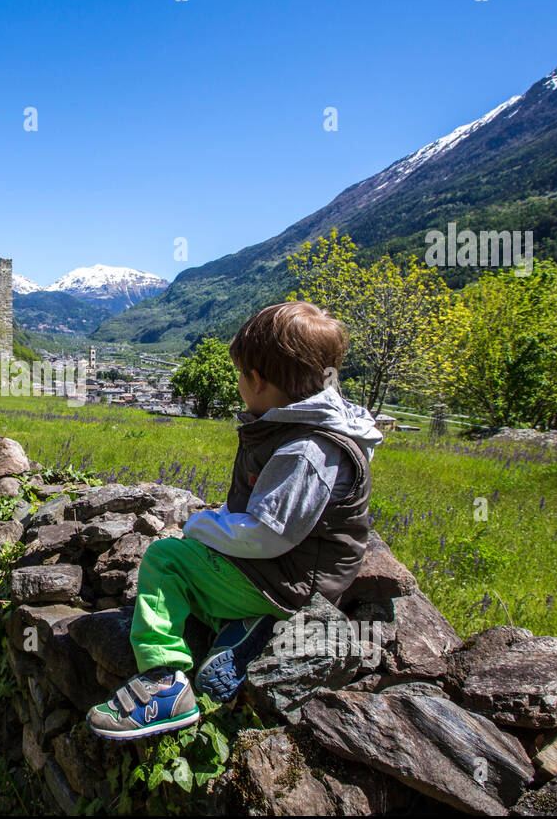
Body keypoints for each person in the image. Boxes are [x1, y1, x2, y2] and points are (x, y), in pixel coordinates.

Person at [87, 301, 383, 740]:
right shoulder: (292, 428)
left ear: (257, 381)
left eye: (241, 373)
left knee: (167, 560)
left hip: (288, 580)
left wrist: (201, 526)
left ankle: (164, 684)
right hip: (288, 576)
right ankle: (247, 628)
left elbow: (268, 532)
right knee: (198, 566)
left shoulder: (306, 450)